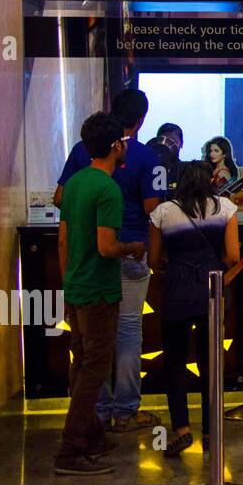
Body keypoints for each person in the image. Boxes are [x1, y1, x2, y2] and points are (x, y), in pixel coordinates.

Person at [54, 89, 164, 433]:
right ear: (141, 119)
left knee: (90, 343)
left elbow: (60, 197)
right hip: (130, 250)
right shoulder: (149, 157)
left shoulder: (81, 152)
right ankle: (126, 412)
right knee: (128, 331)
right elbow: (153, 208)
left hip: (87, 258)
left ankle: (97, 412)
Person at [149, 162, 239, 456]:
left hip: (175, 290)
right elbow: (233, 256)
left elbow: (153, 260)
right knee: (209, 364)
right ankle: (212, 431)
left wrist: (174, 265)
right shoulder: (225, 208)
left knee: (174, 362)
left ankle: (182, 429)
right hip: (211, 291)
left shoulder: (163, 212)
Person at [146, 122, 184, 194]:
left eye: (173, 141)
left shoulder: (184, 171)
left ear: (181, 143)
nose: (167, 145)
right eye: (165, 140)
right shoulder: (147, 168)